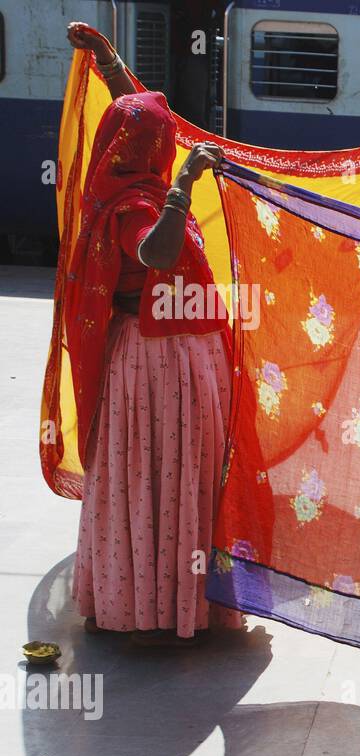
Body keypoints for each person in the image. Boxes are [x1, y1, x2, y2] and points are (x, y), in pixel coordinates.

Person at [60, 23, 237, 644]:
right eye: (166, 144)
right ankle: (160, 611)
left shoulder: (123, 178)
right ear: (153, 152)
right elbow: (157, 255)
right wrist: (184, 189)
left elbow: (133, 113)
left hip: (163, 360)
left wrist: (111, 64)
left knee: (156, 480)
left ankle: (151, 596)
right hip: (155, 366)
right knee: (164, 479)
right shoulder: (136, 203)